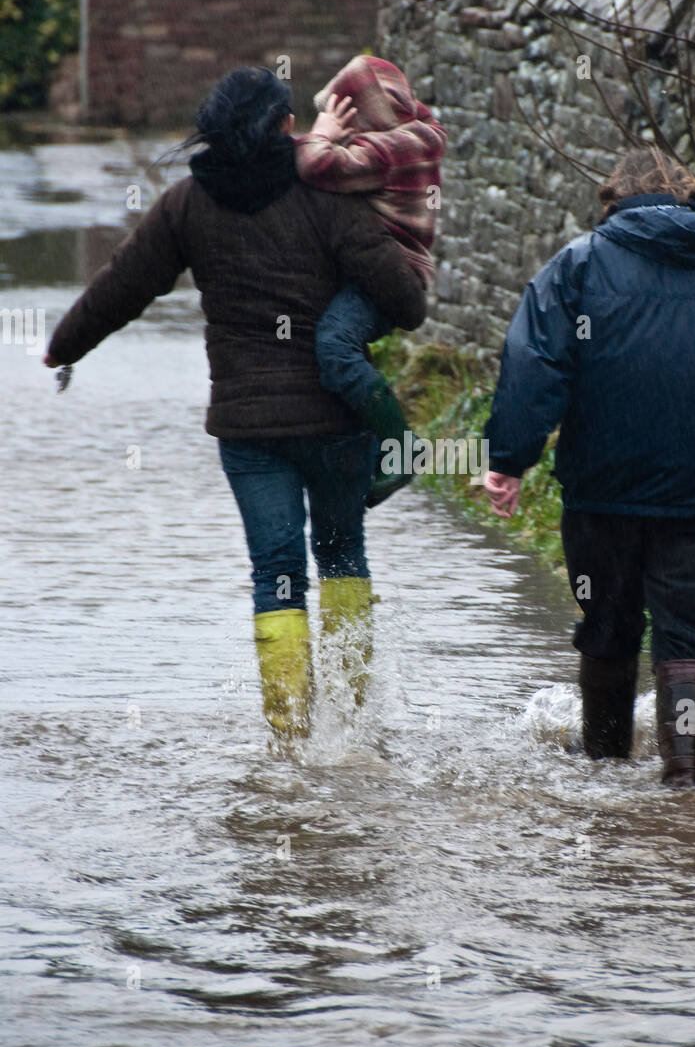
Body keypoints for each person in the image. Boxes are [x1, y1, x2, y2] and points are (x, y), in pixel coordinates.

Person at [44, 66, 426, 745]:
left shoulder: (186, 203)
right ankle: (358, 730)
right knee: (341, 555)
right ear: (285, 126)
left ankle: (290, 743)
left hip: (249, 430)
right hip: (335, 421)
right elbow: (406, 301)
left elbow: (123, 285)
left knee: (275, 572)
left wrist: (63, 346)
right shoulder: (329, 199)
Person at [482, 147, 695, 788]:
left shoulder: (578, 266)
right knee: (690, 645)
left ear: (614, 201)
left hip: (599, 495)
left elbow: (533, 366)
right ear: (694, 199)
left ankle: (602, 777)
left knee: (607, 628)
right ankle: (688, 787)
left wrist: (510, 460)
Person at [294, 55, 446, 506]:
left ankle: (402, 449)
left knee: (335, 345)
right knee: (342, 351)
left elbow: (317, 166)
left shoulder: (390, 149)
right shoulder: (422, 133)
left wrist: (322, 133)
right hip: (386, 272)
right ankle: (371, 439)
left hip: (387, 278)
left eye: (349, 114)